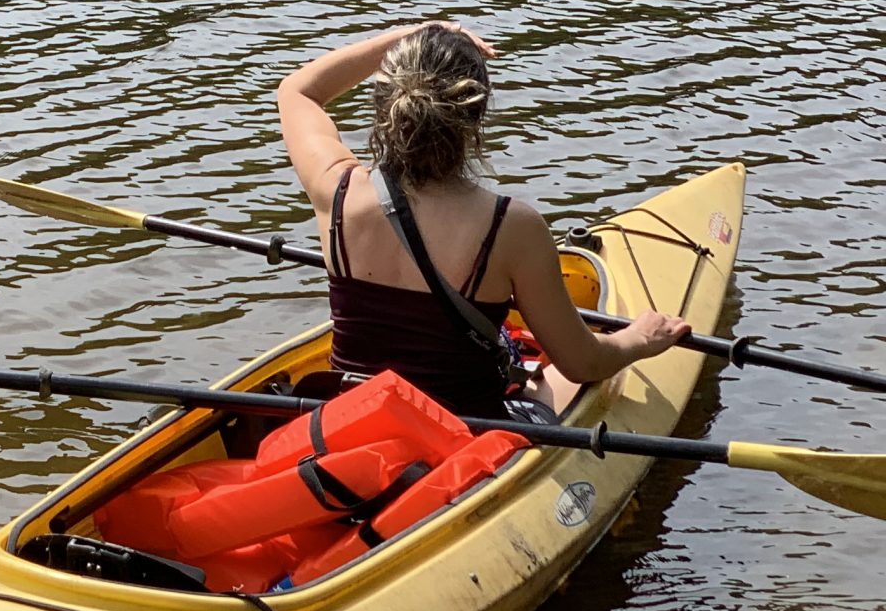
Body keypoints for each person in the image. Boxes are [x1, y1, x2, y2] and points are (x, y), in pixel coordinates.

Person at [277, 21, 690, 421]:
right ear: (475, 119)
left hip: (352, 420)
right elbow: (583, 362)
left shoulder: (337, 190)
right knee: (555, 382)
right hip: (462, 436)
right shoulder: (512, 226)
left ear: (385, 102)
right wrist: (637, 340)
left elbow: (298, 91)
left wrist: (410, 34)